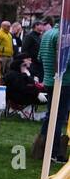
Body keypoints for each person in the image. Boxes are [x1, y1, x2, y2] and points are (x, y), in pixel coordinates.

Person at [33, 20, 66, 164]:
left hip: (48, 80)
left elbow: (39, 57)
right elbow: (65, 61)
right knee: (58, 117)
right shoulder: (62, 36)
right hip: (63, 82)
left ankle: (41, 147)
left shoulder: (47, 34)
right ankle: (54, 152)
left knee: (50, 115)